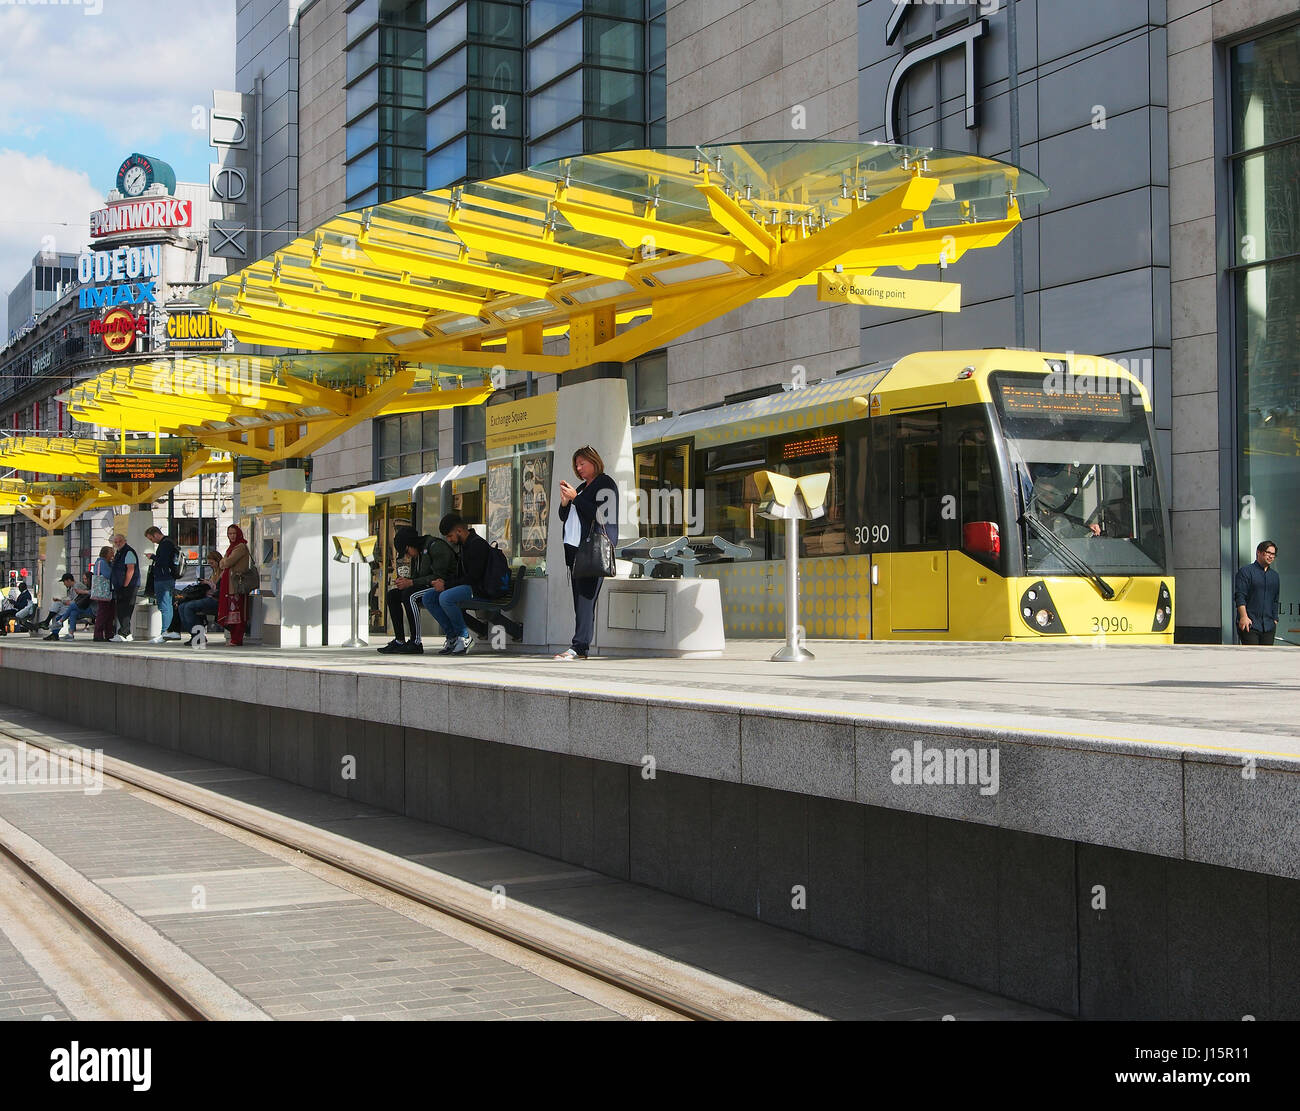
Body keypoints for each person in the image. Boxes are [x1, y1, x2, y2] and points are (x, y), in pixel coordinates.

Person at [555, 444, 619, 661]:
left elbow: (602, 515)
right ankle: (580, 647)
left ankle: (579, 646)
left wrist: (575, 498)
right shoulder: (582, 488)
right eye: (576, 465)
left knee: (585, 599)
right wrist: (565, 502)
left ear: (594, 461)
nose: (579, 468)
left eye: (582, 463)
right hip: (576, 551)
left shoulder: (605, 483)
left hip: (593, 550)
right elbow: (565, 517)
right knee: (580, 600)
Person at [421, 513, 509, 656]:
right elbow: (461, 576)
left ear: (459, 531)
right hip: (468, 588)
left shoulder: (477, 545)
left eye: (450, 536)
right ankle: (452, 637)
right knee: (429, 597)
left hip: (481, 590)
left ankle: (464, 637)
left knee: (445, 598)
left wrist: (446, 586)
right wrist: (445, 583)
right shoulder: (463, 546)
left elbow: (473, 578)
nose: (449, 540)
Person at [378, 525, 458, 656]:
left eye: (407, 551)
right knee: (392, 595)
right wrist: (405, 581)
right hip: (426, 585)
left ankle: (416, 641)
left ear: (410, 545)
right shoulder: (418, 554)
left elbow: (439, 577)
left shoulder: (435, 546)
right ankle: (399, 640)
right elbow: (418, 577)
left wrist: (411, 582)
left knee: (410, 596)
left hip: (443, 586)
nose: (408, 556)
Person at [1234, 540, 1280, 646]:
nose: (1271, 556)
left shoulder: (1274, 576)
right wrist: (1243, 617)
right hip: (1250, 623)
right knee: (1252, 657)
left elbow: (1275, 599)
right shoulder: (1246, 572)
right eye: (1268, 552)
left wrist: (1275, 619)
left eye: (1273, 554)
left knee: (1266, 659)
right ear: (1258, 552)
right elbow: (1240, 596)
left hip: (1268, 625)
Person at [144, 526, 182, 644]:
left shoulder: (165, 544)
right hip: (167, 578)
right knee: (167, 605)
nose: (152, 541)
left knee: (164, 606)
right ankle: (168, 632)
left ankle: (165, 632)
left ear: (155, 534)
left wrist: (153, 557)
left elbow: (163, 561)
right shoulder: (169, 542)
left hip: (163, 578)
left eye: (151, 539)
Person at [177, 552, 224, 644]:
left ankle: (198, 636)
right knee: (182, 606)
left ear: (218, 561)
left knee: (189, 607)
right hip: (207, 597)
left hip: (216, 600)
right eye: (209, 564)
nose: (211, 566)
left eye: (212, 563)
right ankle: (195, 635)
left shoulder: (223, 573)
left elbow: (218, 590)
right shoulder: (213, 573)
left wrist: (209, 583)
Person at [216, 524, 252, 646]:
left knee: (238, 613)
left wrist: (224, 561)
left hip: (237, 585)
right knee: (231, 613)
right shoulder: (231, 547)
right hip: (230, 585)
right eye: (229, 534)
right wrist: (224, 561)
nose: (232, 536)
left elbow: (227, 562)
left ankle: (237, 639)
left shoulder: (240, 546)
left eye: (234, 533)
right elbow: (222, 563)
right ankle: (233, 639)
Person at [109, 532, 140, 642]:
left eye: (119, 541)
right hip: (120, 586)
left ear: (124, 541)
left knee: (125, 609)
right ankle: (126, 633)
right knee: (121, 609)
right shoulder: (119, 553)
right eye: (115, 542)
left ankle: (124, 633)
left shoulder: (128, 552)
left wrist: (125, 585)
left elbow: (130, 569)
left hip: (128, 586)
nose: (117, 543)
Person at [43, 573, 92, 641]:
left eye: (64, 582)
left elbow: (76, 601)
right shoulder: (71, 588)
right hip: (77, 606)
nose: (64, 584)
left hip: (82, 607)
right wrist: (61, 600)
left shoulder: (77, 586)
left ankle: (58, 624)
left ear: (69, 580)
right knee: (62, 609)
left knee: (63, 612)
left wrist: (66, 602)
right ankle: (66, 633)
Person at [91, 545, 116, 641]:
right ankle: (99, 634)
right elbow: (108, 575)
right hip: (104, 593)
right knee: (104, 613)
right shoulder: (102, 562)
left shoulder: (103, 562)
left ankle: (108, 634)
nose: (113, 555)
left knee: (109, 613)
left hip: (107, 593)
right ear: (106, 554)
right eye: (111, 553)